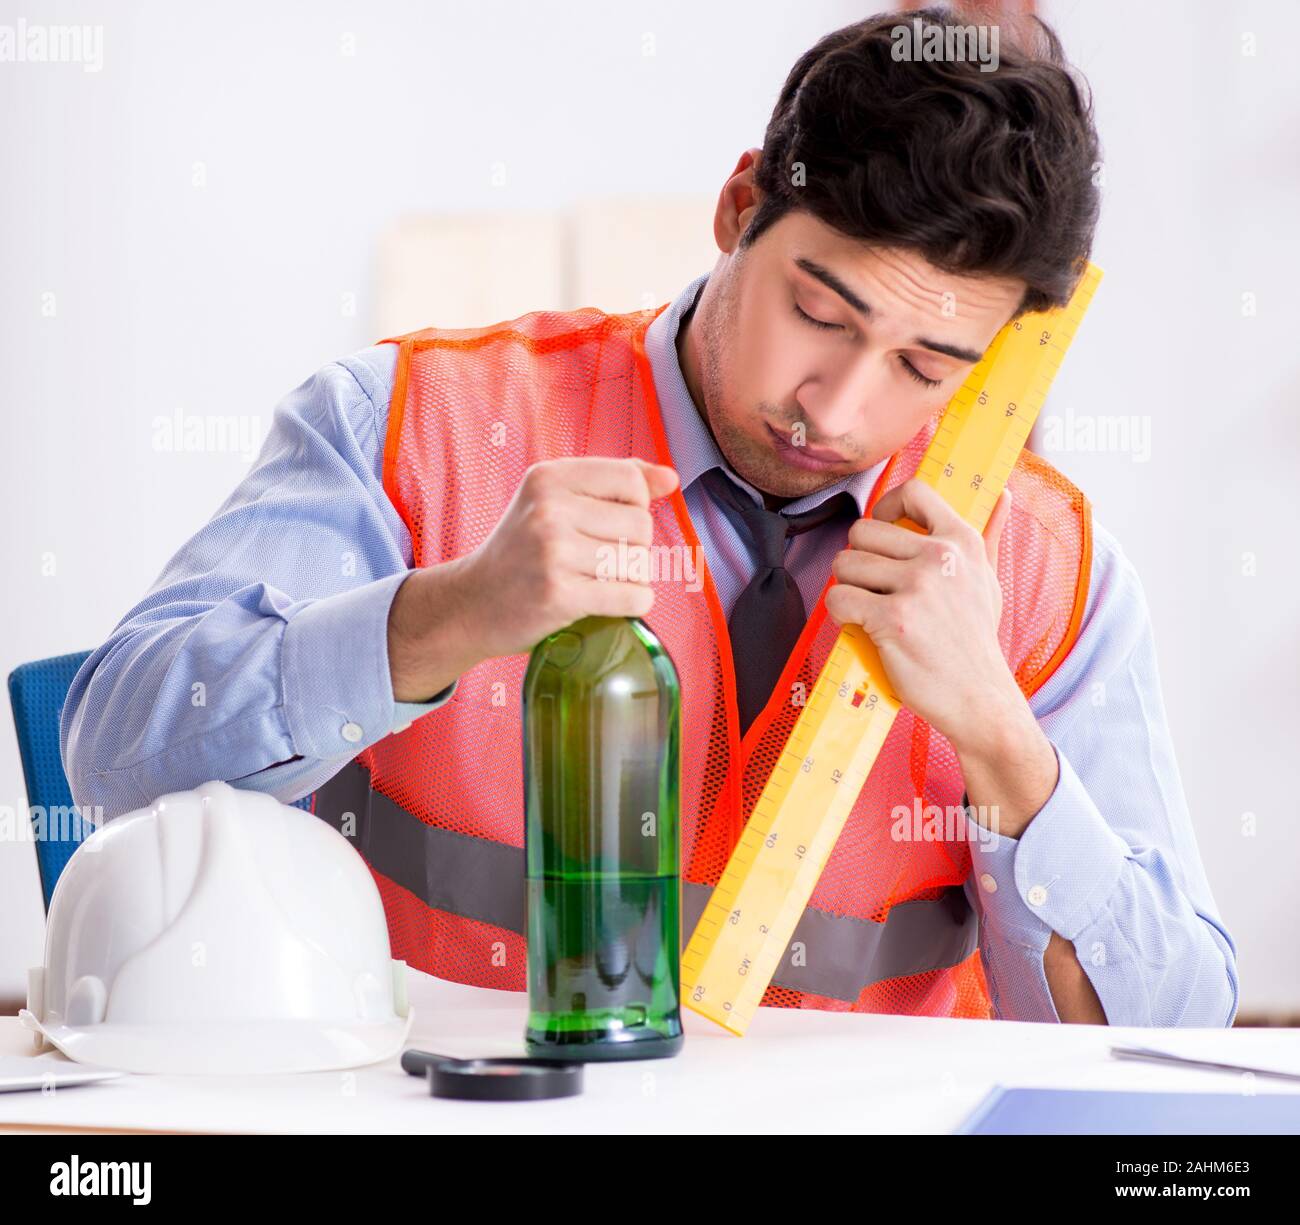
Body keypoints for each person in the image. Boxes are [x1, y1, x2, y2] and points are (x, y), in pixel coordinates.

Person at [62, 9, 1236, 1026]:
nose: (840, 405)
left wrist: (1004, 746)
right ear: (737, 209)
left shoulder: (1048, 572)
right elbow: (108, 759)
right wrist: (445, 614)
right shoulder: (409, 424)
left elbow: (1174, 1029)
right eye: (820, 312)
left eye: (928, 366)